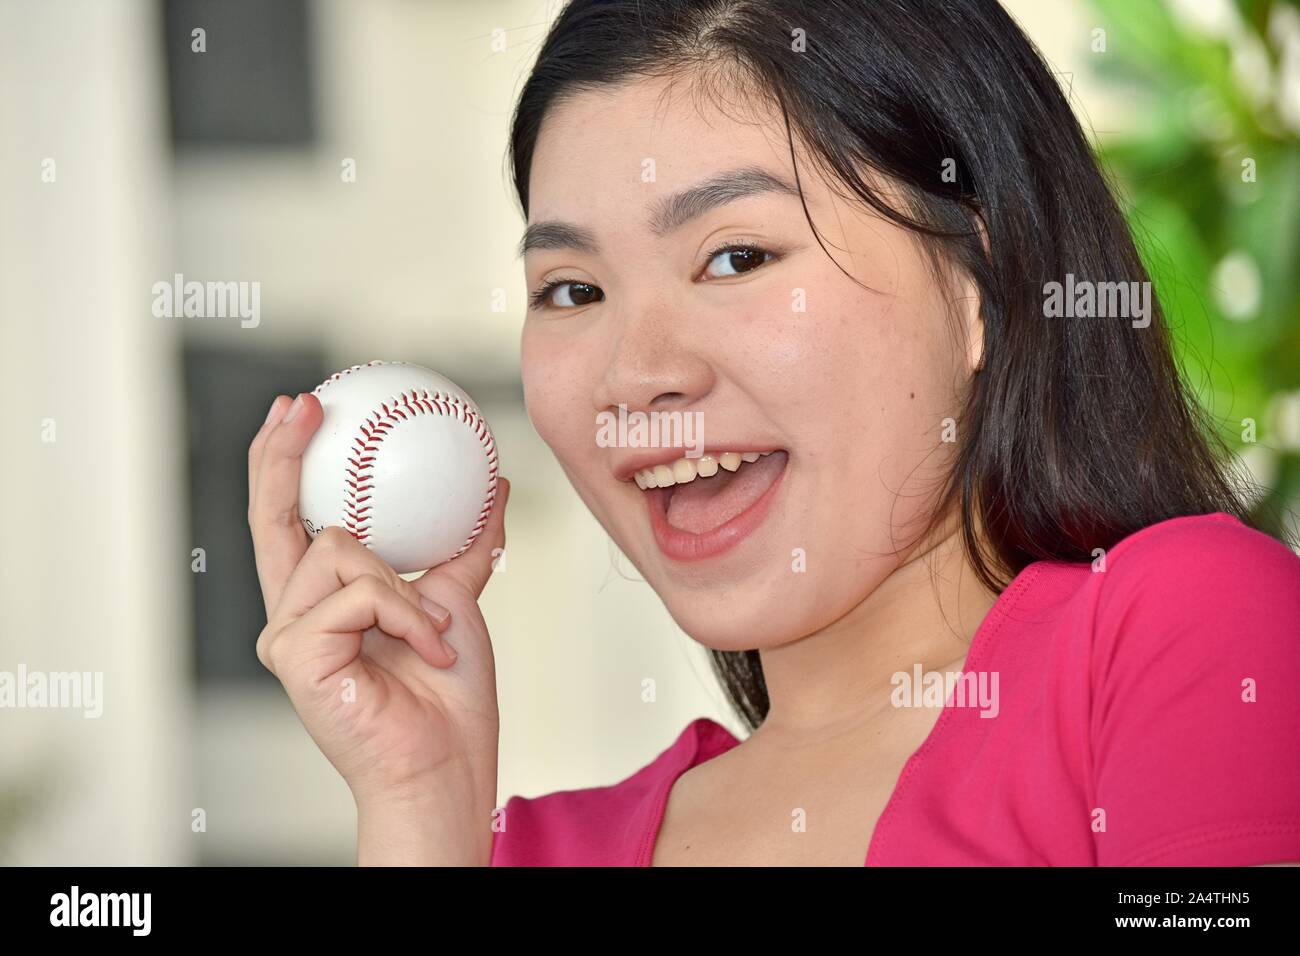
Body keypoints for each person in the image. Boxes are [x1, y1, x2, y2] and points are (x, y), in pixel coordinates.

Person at [247, 0, 1300, 866]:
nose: (638, 372)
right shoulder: (526, 850)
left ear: (978, 284)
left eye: (735, 259)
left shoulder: (1177, 629)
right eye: (571, 288)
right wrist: (419, 807)